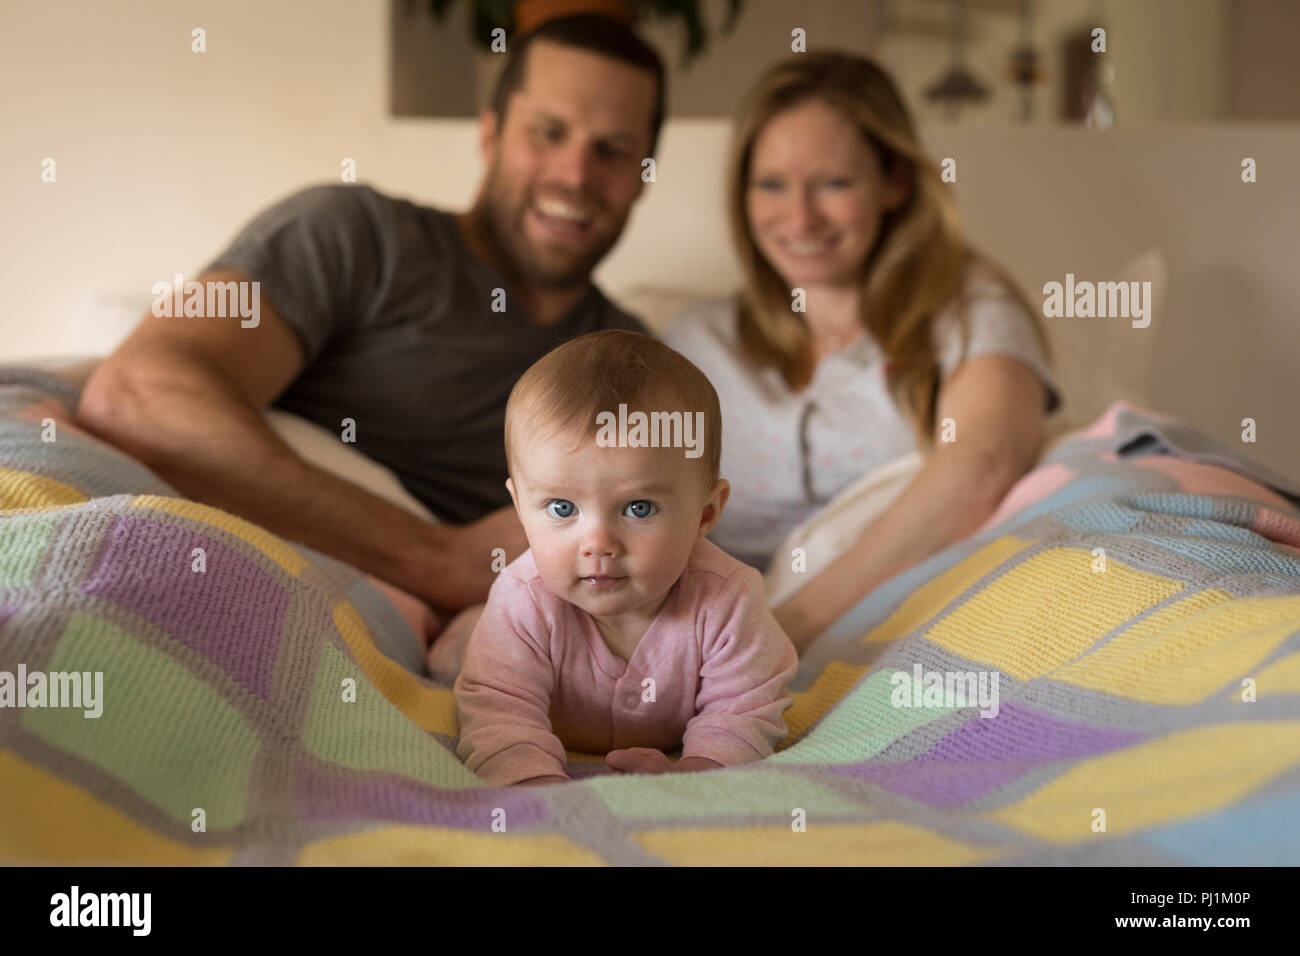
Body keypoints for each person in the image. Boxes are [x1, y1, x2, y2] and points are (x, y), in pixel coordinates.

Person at [73, 14, 664, 627]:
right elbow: (137, 394)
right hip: (273, 592)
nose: (574, 176)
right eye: (547, 132)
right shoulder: (356, 235)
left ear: (643, 177)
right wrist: (439, 558)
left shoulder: (631, 359)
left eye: (614, 151)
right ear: (490, 136)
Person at [661, 52, 1063, 652]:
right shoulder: (695, 343)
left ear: (894, 181)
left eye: (833, 183)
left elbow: (982, 466)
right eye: (771, 184)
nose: (799, 217)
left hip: (905, 639)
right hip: (695, 648)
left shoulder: (970, 311)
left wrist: (776, 637)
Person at [452, 330, 799, 786]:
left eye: (639, 508)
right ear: (519, 507)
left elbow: (746, 708)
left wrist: (697, 773)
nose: (598, 543)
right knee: (462, 651)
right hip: (485, 635)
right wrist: (535, 785)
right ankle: (451, 630)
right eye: (562, 508)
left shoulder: (728, 598)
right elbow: (499, 711)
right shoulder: (524, 601)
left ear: (705, 513)